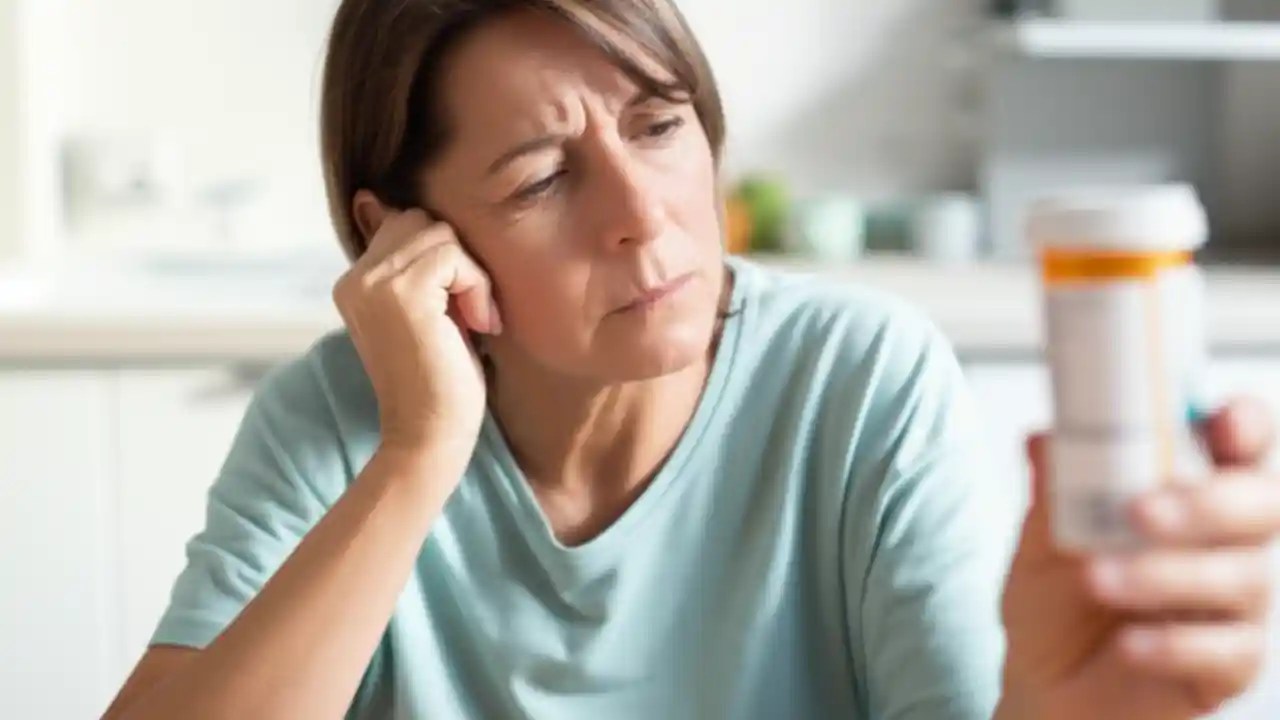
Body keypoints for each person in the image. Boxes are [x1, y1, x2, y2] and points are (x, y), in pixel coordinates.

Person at [104, 1, 1280, 718]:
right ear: (401, 238)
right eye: (541, 178)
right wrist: (416, 456)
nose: (642, 215)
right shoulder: (340, 417)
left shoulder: (857, 378)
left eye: (659, 126)